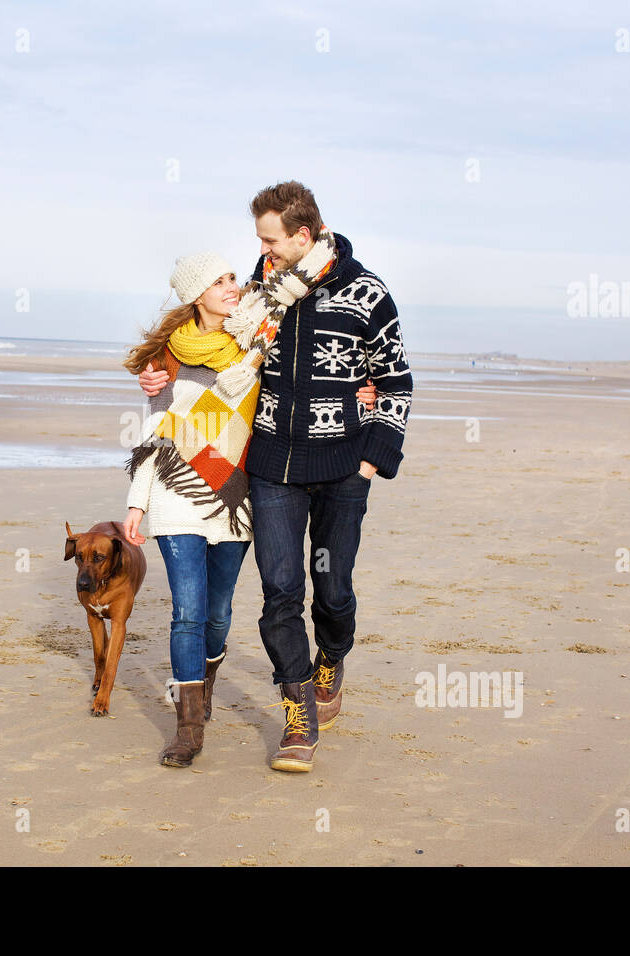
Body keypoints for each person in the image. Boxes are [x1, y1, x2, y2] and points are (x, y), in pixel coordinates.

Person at [139, 181, 412, 772]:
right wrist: (159, 375)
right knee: (280, 594)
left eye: (269, 238)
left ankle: (330, 658)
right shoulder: (259, 293)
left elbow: (395, 381)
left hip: (342, 467)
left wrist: (371, 461)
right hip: (270, 469)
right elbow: (206, 344)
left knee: (332, 592)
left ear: (302, 234)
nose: (260, 248)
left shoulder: (367, 293)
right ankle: (298, 715)